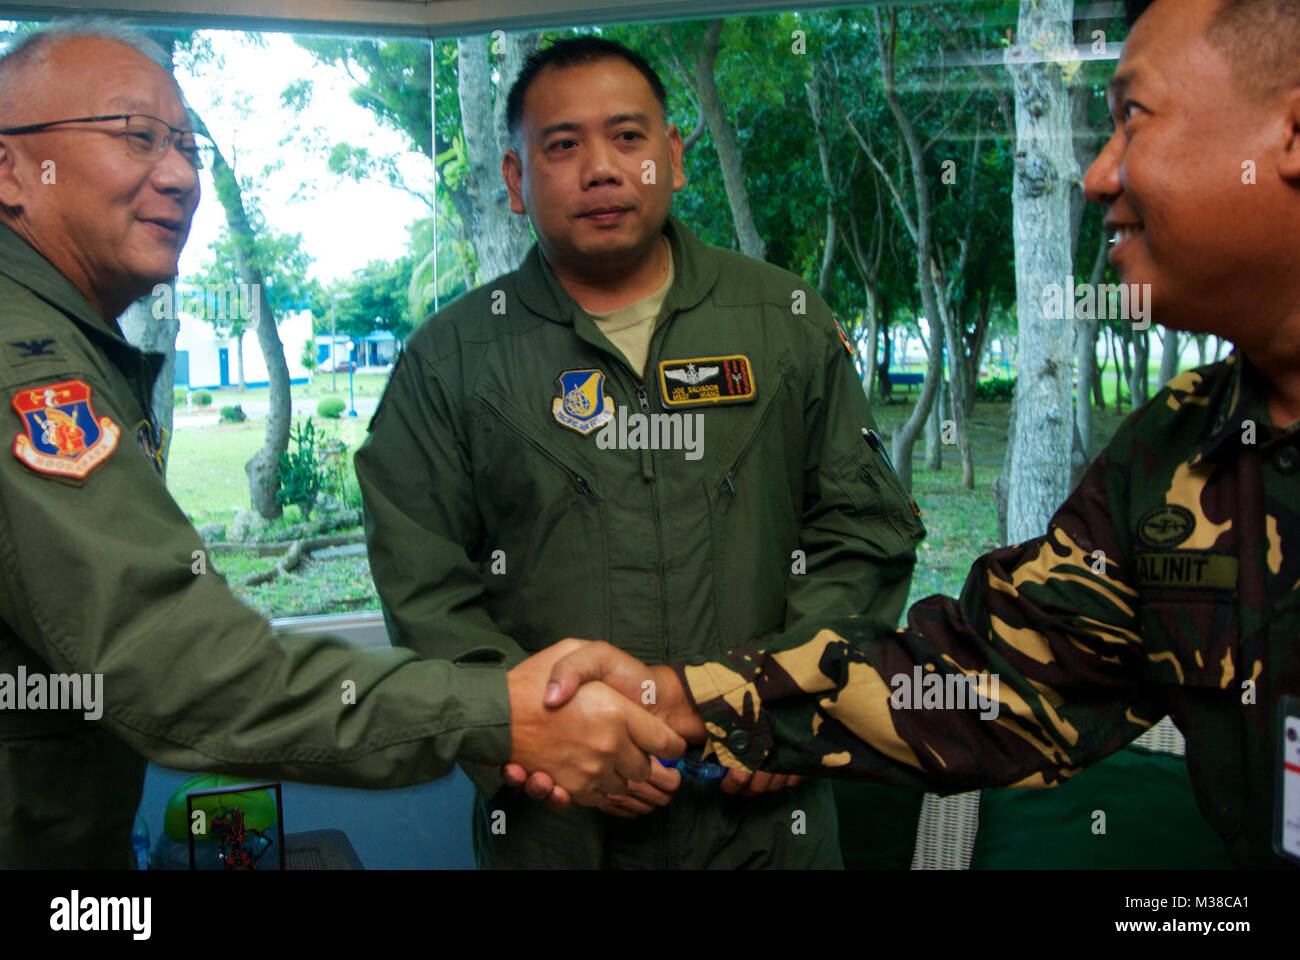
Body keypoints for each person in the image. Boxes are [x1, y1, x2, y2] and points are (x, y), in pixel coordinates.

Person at [522, 0, 1300, 869]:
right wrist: (678, 699)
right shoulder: (1182, 450)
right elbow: (985, 677)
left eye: (1133, 119)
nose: (1098, 174)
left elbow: (864, 530)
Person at [0, 21, 683, 870]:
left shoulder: (776, 319)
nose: (178, 175)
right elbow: (173, 661)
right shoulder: (23, 367)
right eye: (135, 137)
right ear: (10, 169)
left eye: (186, 146)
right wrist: (509, 712)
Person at [355, 36, 923, 868]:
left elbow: (862, 534)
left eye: (627, 137)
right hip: (560, 832)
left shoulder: (785, 320)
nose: (600, 169)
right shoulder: (452, 361)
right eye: (562, 145)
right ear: (515, 181)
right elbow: (425, 588)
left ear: (674, 158)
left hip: (769, 825)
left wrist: (778, 708)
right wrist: (543, 738)